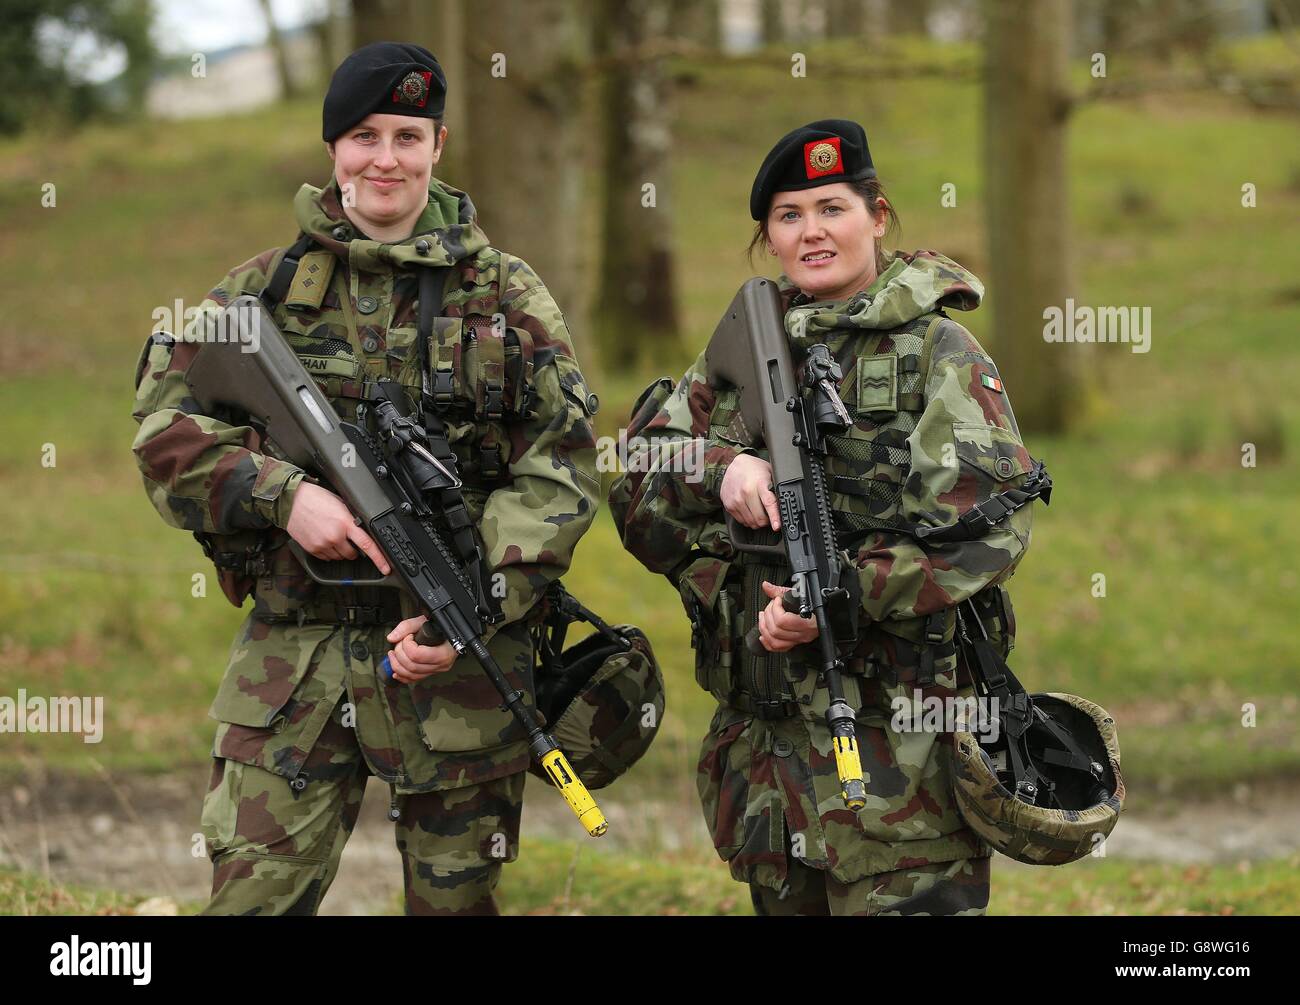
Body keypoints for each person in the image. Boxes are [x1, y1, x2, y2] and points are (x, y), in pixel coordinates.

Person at [131, 42, 601, 915]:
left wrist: (479, 598)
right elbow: (164, 431)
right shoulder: (258, 291)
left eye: (408, 136)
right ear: (332, 150)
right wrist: (283, 494)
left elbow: (562, 465)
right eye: (363, 136)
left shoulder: (506, 295)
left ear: (438, 144)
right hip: (294, 662)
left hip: (456, 662)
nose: (386, 158)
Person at [609, 119, 1045, 916]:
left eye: (832, 208)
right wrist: (721, 467)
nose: (811, 232)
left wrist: (840, 594)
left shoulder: (939, 354)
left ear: (877, 216)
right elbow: (637, 487)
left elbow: (987, 535)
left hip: (902, 763)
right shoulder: (737, 358)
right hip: (771, 768)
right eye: (788, 216)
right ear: (768, 237)